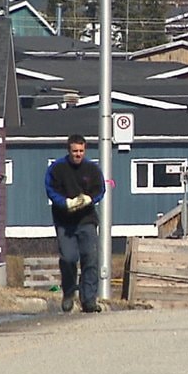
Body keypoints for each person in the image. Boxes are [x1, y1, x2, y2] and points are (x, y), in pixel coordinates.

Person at [44, 134, 106, 314]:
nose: (78, 154)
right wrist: (65, 203)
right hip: (65, 221)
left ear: (85, 150)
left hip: (87, 220)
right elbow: (50, 189)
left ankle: (89, 300)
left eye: (81, 151)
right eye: (74, 151)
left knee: (90, 258)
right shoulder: (57, 169)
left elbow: (100, 189)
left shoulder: (92, 169)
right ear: (68, 150)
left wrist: (89, 199)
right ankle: (69, 293)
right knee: (69, 258)